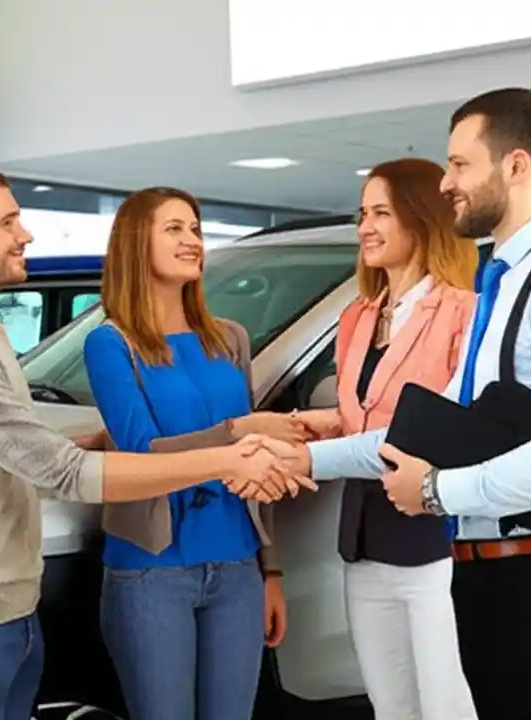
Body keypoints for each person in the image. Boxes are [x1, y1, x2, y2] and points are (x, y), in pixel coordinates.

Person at [0, 162, 308, 720]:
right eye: (9, 221)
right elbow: (62, 473)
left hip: (9, 611)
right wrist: (233, 448)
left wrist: (98, 438)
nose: (26, 234)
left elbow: (10, 454)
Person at [282, 88, 531, 720]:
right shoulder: (503, 281)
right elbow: (425, 427)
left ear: (516, 165)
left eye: (461, 164)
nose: (446, 184)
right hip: (485, 576)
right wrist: (305, 462)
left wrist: (440, 492)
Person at [82, 187, 315, 720]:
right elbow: (143, 456)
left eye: (196, 229)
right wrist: (238, 430)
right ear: (135, 244)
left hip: (237, 569)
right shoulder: (110, 345)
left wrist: (270, 570)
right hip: (152, 572)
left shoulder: (229, 339)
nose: (192, 241)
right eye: (174, 229)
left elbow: (263, 458)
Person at [290, 158, 480, 719]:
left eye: (381, 213)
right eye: (362, 214)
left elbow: (438, 427)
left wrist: (302, 456)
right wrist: (322, 423)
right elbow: (367, 415)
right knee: (390, 706)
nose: (365, 227)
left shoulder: (463, 312)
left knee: (447, 707)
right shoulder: (358, 317)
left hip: (432, 543)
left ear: (421, 219)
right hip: (365, 540)